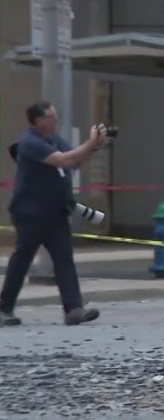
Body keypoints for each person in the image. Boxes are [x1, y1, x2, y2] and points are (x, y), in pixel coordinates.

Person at [1, 100, 105, 327]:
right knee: (22, 259)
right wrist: (90, 143)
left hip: (56, 212)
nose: (55, 120)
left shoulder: (55, 140)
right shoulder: (29, 143)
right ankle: (4, 307)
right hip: (31, 213)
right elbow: (62, 160)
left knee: (64, 259)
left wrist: (94, 147)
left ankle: (73, 309)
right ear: (37, 121)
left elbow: (73, 163)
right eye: (51, 117)